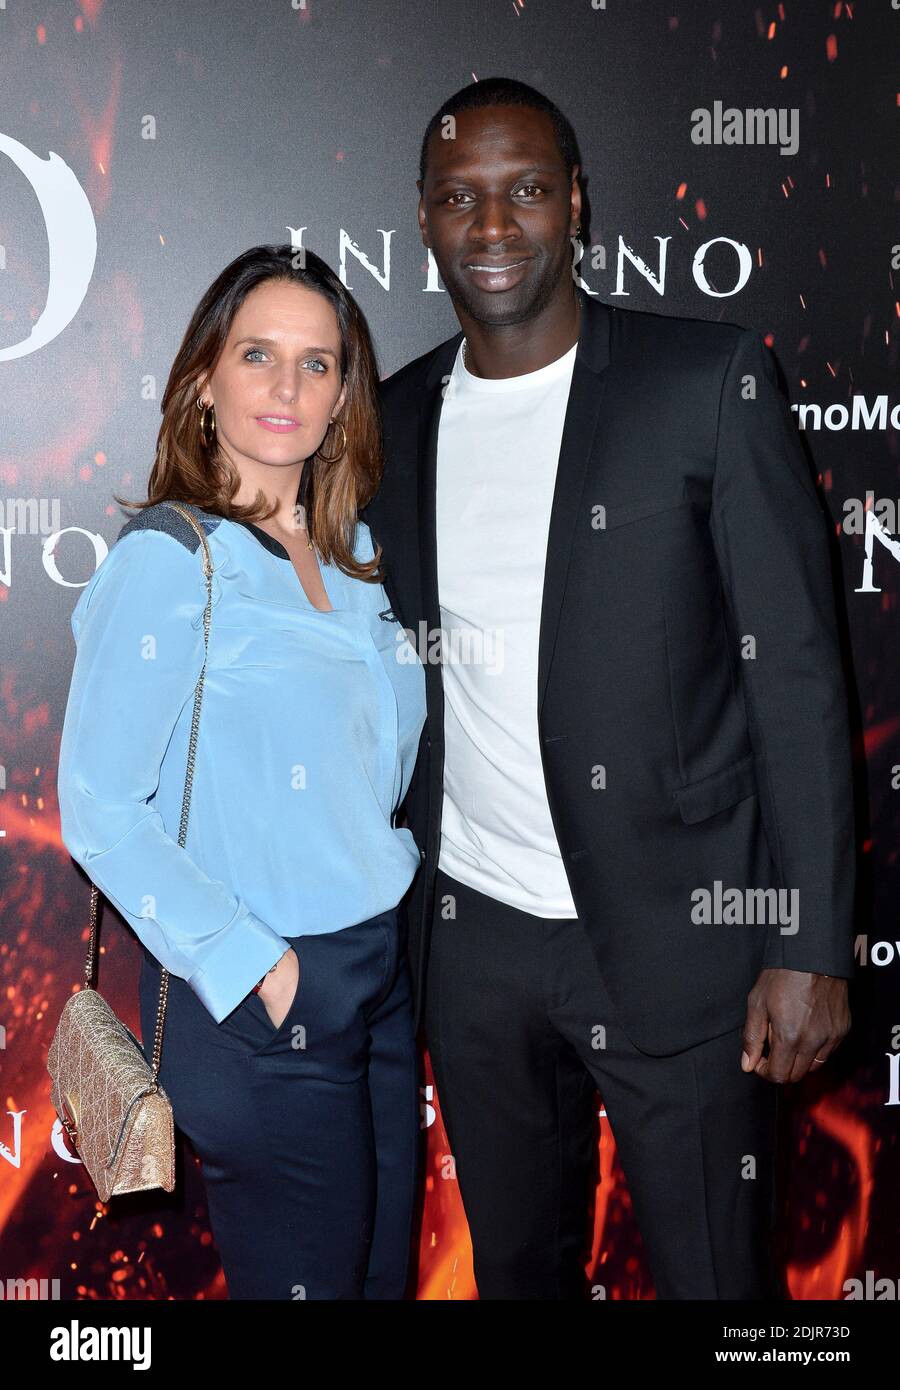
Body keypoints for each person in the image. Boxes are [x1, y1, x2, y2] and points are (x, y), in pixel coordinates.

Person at [361, 78, 855, 1300]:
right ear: (421, 220)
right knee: (518, 1273)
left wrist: (809, 942)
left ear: (576, 202)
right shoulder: (392, 418)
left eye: (526, 189)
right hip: (472, 947)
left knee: (716, 1280)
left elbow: (794, 679)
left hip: (685, 948)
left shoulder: (709, 379)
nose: (492, 223)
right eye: (458, 197)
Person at [57, 244, 427, 1300]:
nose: (287, 386)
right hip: (267, 1001)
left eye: (318, 364)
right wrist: (254, 965)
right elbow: (96, 805)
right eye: (258, 353)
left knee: (381, 1279)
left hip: (379, 976)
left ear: (344, 394)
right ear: (204, 380)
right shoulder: (172, 560)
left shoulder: (352, 552)